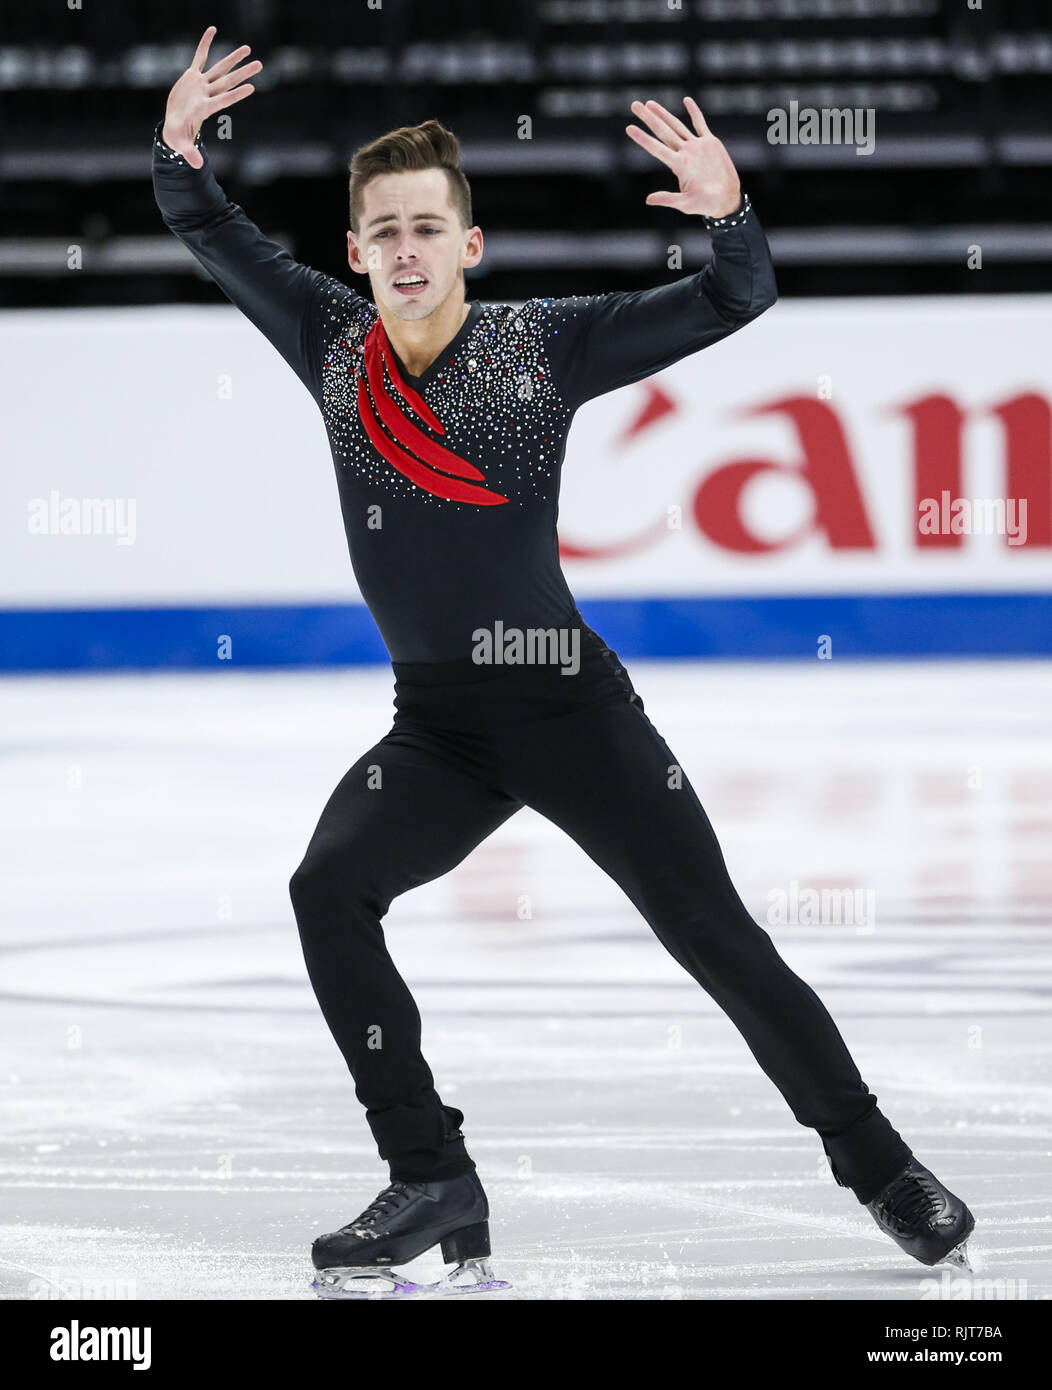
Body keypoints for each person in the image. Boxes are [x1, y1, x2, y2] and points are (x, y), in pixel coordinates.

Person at [154, 26, 975, 1298]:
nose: (407, 251)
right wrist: (177, 151)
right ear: (358, 249)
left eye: (429, 228)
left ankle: (881, 1169)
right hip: (436, 727)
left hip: (570, 711)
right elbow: (215, 233)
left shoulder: (540, 346)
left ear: (467, 247)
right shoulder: (328, 340)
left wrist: (733, 211)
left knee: (714, 935)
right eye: (383, 231)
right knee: (330, 889)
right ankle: (430, 1173)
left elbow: (731, 299)